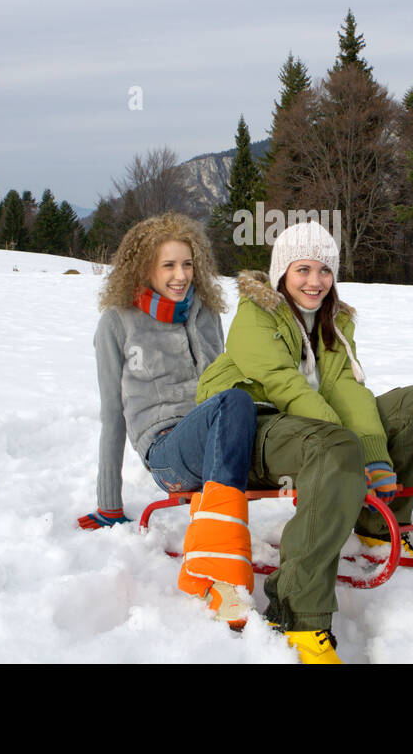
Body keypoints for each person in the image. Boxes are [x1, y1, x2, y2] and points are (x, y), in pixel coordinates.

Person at [197, 220, 413, 663]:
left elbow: (346, 387)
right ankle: (296, 611)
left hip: (315, 431)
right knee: (334, 441)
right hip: (256, 430)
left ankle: (378, 529)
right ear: (282, 272)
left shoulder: (334, 320)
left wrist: (375, 455)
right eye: (303, 269)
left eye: (325, 270)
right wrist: (348, 445)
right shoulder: (256, 314)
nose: (315, 281)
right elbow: (284, 385)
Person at [80, 212, 259, 629]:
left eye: (188, 264)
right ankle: (218, 572)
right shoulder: (117, 322)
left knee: (250, 404)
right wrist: (109, 504)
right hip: (167, 450)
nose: (181, 276)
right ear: (144, 268)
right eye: (168, 265)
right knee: (234, 403)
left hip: (219, 429)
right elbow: (112, 413)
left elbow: (226, 376)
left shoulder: (205, 312)